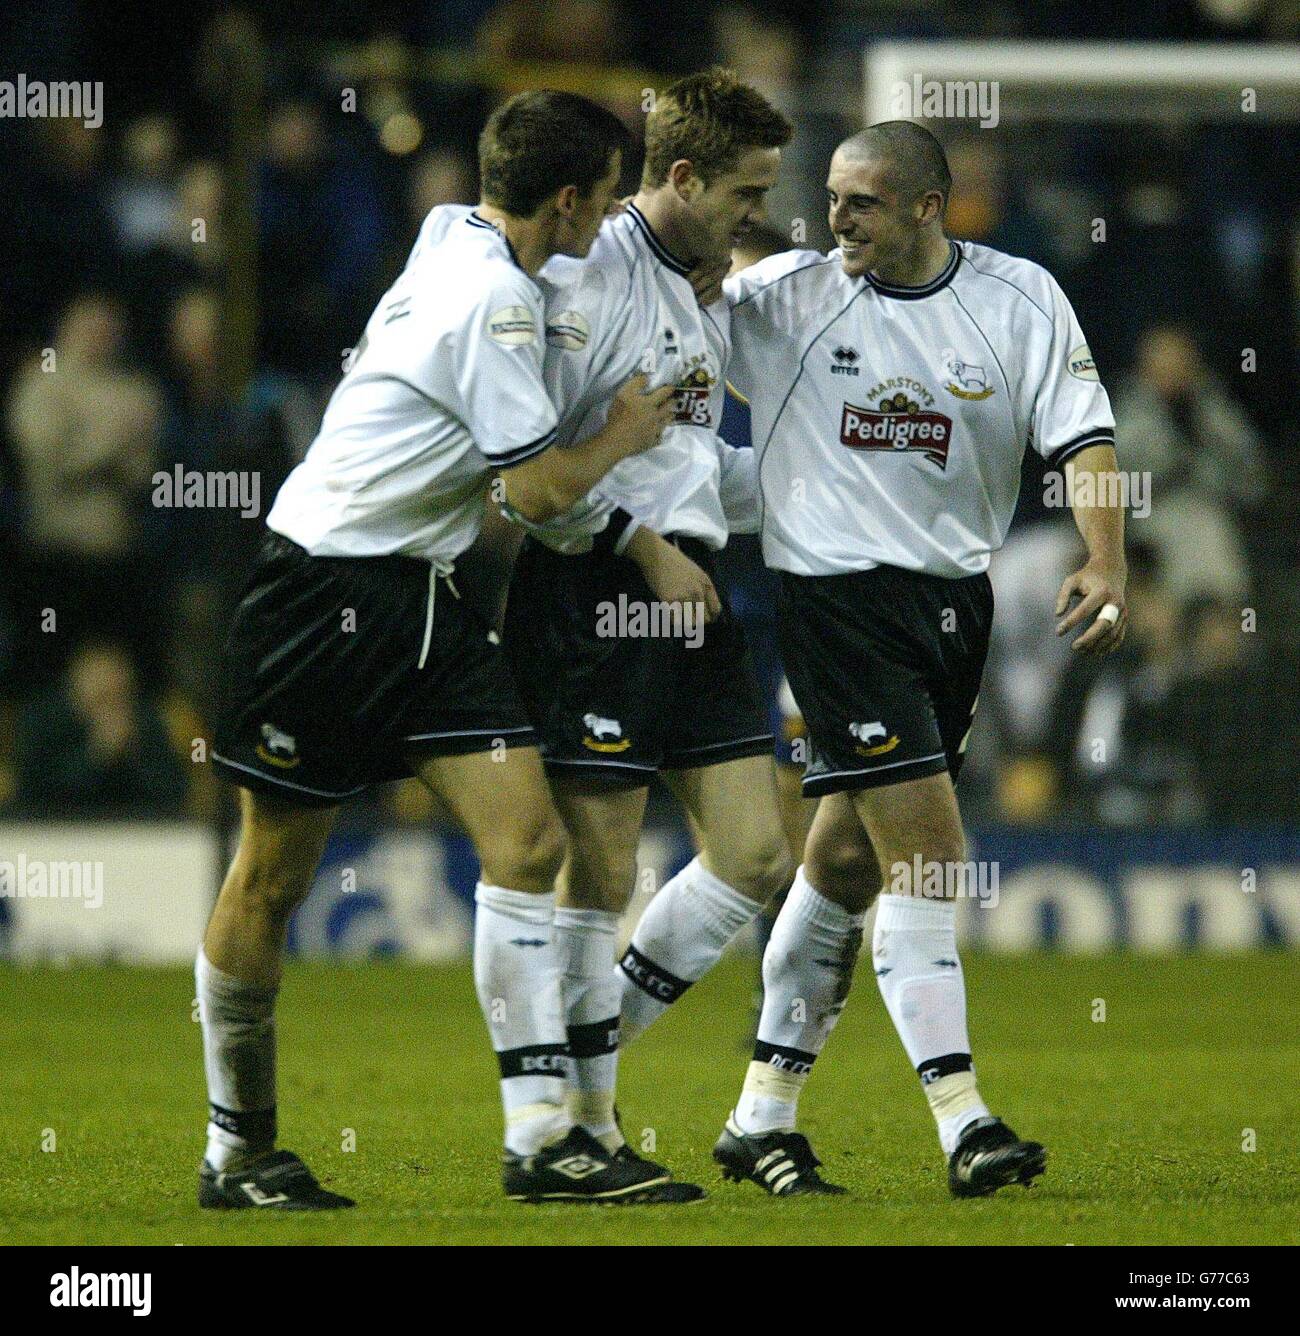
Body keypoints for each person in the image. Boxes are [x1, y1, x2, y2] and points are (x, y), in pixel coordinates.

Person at [197, 91, 686, 1211]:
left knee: (524, 838)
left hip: (417, 593)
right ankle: (238, 1150)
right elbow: (534, 491)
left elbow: (543, 289)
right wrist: (627, 428)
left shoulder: (451, 232)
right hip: (320, 589)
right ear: (565, 202)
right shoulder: (491, 305)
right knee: (271, 874)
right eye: (605, 199)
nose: (612, 218)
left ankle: (540, 1137)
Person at [710, 121, 1127, 1197]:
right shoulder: (791, 298)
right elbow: (675, 309)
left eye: (861, 202)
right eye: (832, 197)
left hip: (952, 605)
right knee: (932, 855)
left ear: (928, 209)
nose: (835, 217)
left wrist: (1105, 555)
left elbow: (1083, 433)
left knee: (845, 862)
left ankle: (760, 1115)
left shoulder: (1018, 298)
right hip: (834, 601)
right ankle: (963, 1119)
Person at [498, 68, 795, 1165]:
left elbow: (689, 459)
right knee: (602, 868)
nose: (753, 216)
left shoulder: (700, 285)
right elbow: (531, 474)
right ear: (680, 176)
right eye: (742, 193)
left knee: (756, 854)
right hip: (597, 588)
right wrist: (637, 543)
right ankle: (581, 1123)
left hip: (695, 585)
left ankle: (578, 1064)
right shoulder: (592, 283)